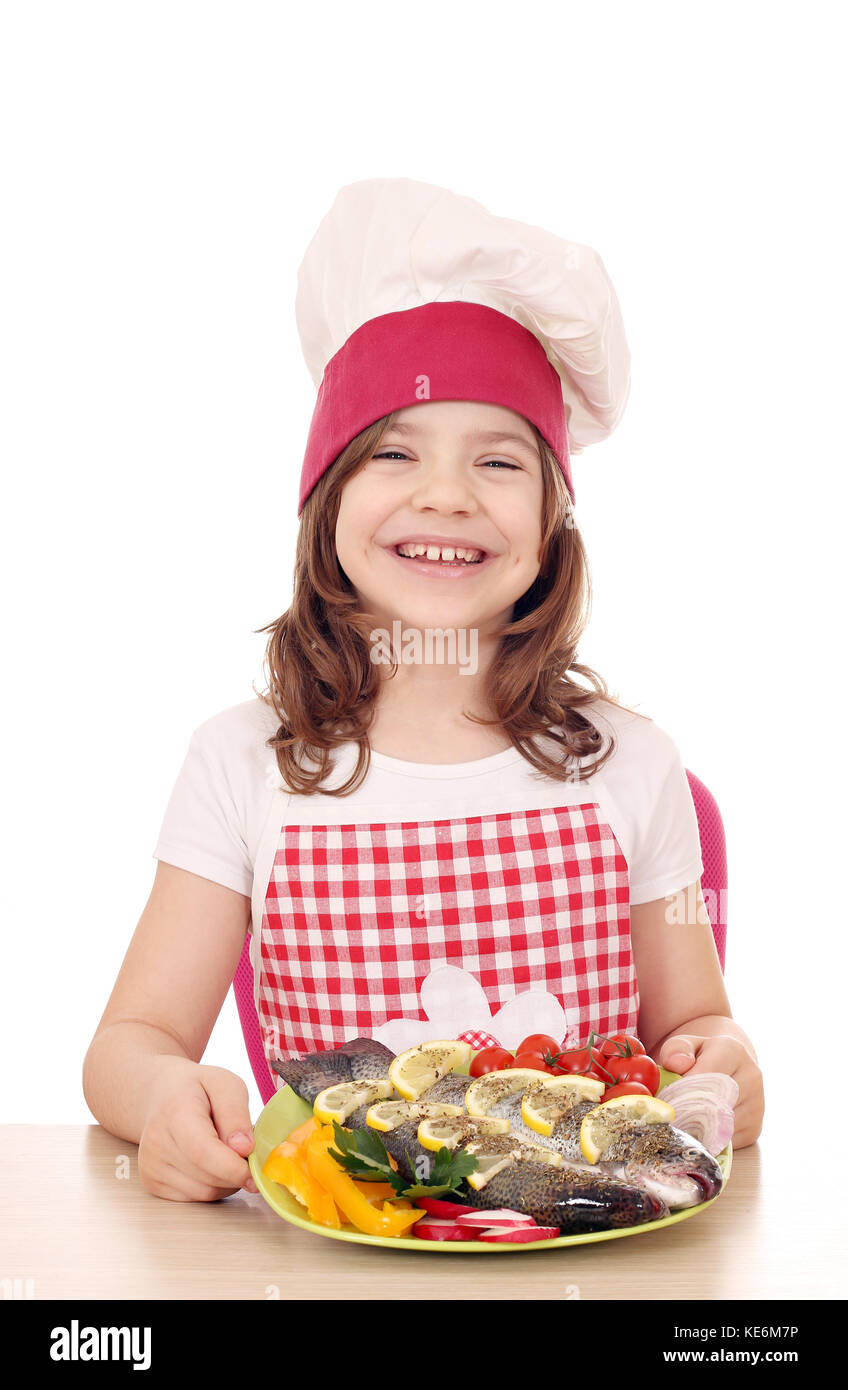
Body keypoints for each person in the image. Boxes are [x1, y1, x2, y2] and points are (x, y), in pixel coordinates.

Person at [82, 178, 764, 1203]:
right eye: (393, 450)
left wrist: (724, 1065)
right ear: (326, 501)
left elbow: (694, 1032)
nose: (445, 492)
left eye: (498, 460)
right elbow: (128, 1044)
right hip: (336, 1262)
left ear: (548, 529)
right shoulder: (241, 764)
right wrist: (165, 1096)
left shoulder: (632, 763)